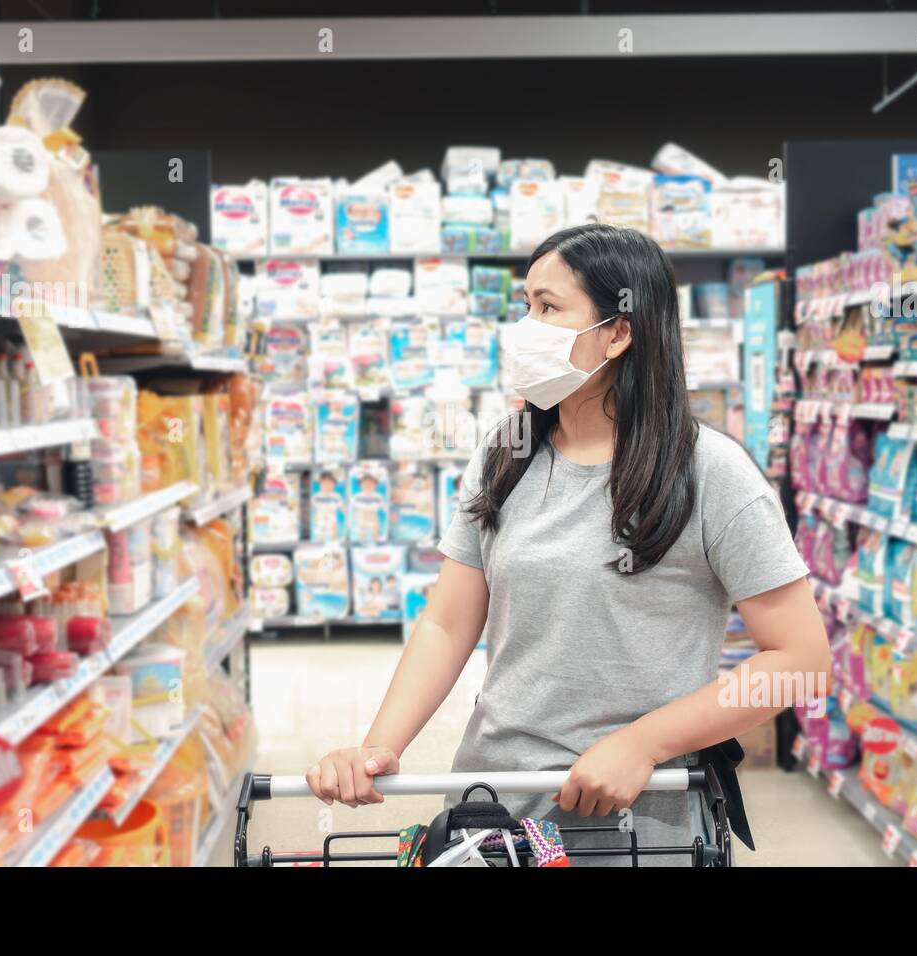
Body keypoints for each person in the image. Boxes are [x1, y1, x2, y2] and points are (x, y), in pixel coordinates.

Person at [307, 223, 829, 865]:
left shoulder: (710, 472)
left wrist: (643, 742)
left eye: (549, 308)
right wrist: (377, 748)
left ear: (619, 330)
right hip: (493, 808)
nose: (526, 327)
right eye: (525, 306)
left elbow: (799, 659)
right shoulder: (507, 453)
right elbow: (447, 624)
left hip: (636, 824)